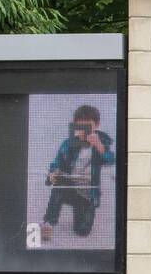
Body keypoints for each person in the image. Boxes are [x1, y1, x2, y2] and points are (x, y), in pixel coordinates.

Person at [42, 104, 114, 242]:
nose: (84, 132)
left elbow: (110, 160)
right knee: (59, 184)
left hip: (87, 195)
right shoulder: (69, 144)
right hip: (71, 187)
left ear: (97, 125)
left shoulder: (101, 142)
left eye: (88, 127)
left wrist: (99, 146)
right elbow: (57, 162)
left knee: (82, 231)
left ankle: (80, 212)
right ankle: (48, 223)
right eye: (80, 128)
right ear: (75, 127)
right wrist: (53, 173)